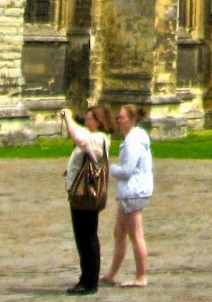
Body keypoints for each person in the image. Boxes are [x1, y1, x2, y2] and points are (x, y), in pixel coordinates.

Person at [62, 103, 114, 295]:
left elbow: (79, 138)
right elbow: (81, 134)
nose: (87, 120)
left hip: (87, 194)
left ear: (99, 121)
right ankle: (87, 277)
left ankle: (90, 281)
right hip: (80, 194)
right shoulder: (95, 137)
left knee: (86, 237)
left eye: (90, 118)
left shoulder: (99, 139)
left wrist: (68, 118)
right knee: (84, 236)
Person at [101, 104, 154, 287]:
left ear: (131, 120)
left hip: (133, 192)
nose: (118, 120)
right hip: (129, 192)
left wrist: (109, 167)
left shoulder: (133, 142)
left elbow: (127, 170)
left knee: (136, 234)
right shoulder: (133, 139)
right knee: (119, 233)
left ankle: (141, 276)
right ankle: (111, 274)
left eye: (122, 117)